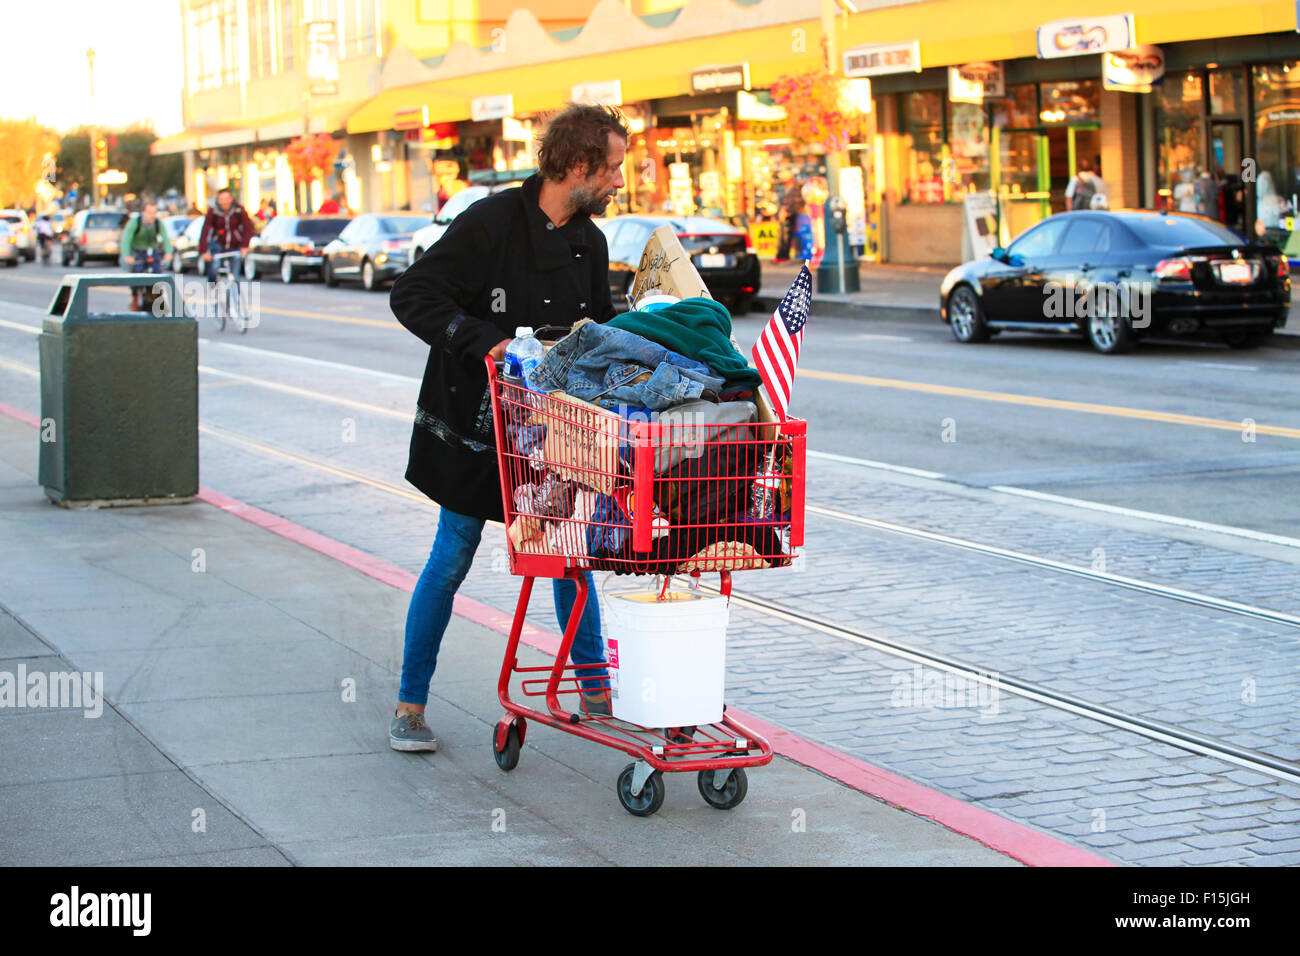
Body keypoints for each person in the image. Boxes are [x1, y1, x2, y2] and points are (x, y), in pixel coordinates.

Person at [386, 102, 628, 752]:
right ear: (575, 165)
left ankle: (596, 695)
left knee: (568, 561)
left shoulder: (589, 240)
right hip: (476, 430)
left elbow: (598, 330)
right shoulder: (490, 222)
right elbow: (412, 294)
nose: (616, 183)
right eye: (610, 170)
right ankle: (410, 706)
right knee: (451, 558)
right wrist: (487, 343)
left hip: (553, 434)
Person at [121, 200, 174, 309]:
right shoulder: (135, 223)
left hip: (152, 251)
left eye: (154, 212)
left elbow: (165, 239)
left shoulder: (158, 223)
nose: (152, 216)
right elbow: (126, 240)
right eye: (149, 212)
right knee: (136, 273)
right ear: (143, 212)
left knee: (158, 271)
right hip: (137, 251)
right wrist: (127, 255)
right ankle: (134, 296)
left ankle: (158, 296)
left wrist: (168, 253)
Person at [198, 187, 254, 282]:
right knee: (214, 266)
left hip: (235, 245)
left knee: (235, 276)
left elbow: (248, 228)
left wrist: (245, 245)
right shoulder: (213, 211)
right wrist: (203, 251)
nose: (224, 202)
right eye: (221, 199)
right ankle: (214, 288)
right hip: (218, 245)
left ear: (231, 199)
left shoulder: (238, 210)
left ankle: (235, 295)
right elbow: (205, 230)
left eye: (226, 199)